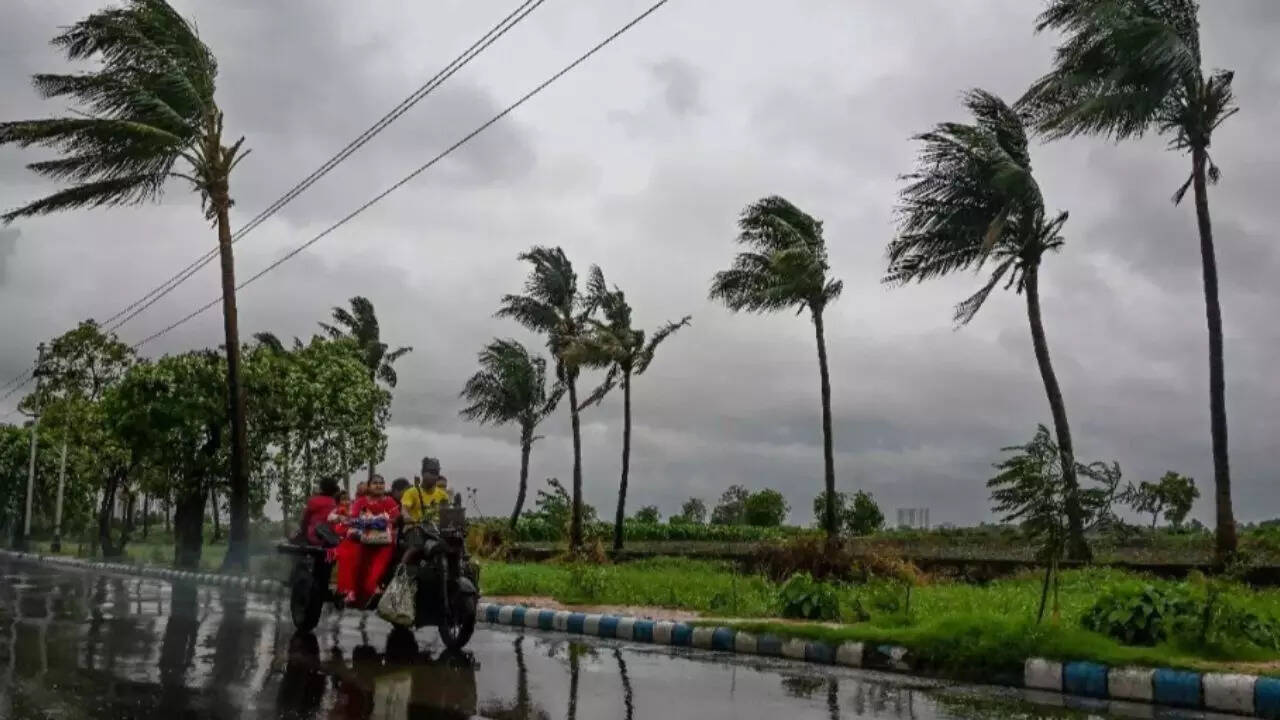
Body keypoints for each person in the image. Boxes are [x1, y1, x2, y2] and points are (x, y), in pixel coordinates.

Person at [336, 475, 400, 606]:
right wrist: (368, 522)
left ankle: (373, 591)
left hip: (384, 542)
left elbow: (396, 519)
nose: (379, 486)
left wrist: (385, 521)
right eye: (375, 483)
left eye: (381, 483)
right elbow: (353, 519)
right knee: (359, 568)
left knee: (378, 568)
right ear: (369, 486)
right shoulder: (360, 502)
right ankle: (357, 595)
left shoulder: (390, 502)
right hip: (365, 540)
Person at [298, 477, 340, 546]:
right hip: (333, 536)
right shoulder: (335, 503)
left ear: (321, 488)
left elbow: (304, 521)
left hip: (315, 538)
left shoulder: (313, 501)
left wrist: (302, 534)